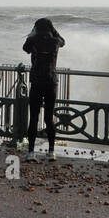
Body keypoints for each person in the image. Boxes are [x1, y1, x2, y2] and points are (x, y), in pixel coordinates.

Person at [22, 17, 65, 158]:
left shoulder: (33, 40)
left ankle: (31, 152)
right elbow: (63, 41)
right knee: (49, 118)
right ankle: (51, 152)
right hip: (51, 81)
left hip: (36, 82)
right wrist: (54, 31)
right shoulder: (55, 41)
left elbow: (25, 49)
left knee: (34, 117)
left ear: (36, 28)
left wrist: (32, 34)